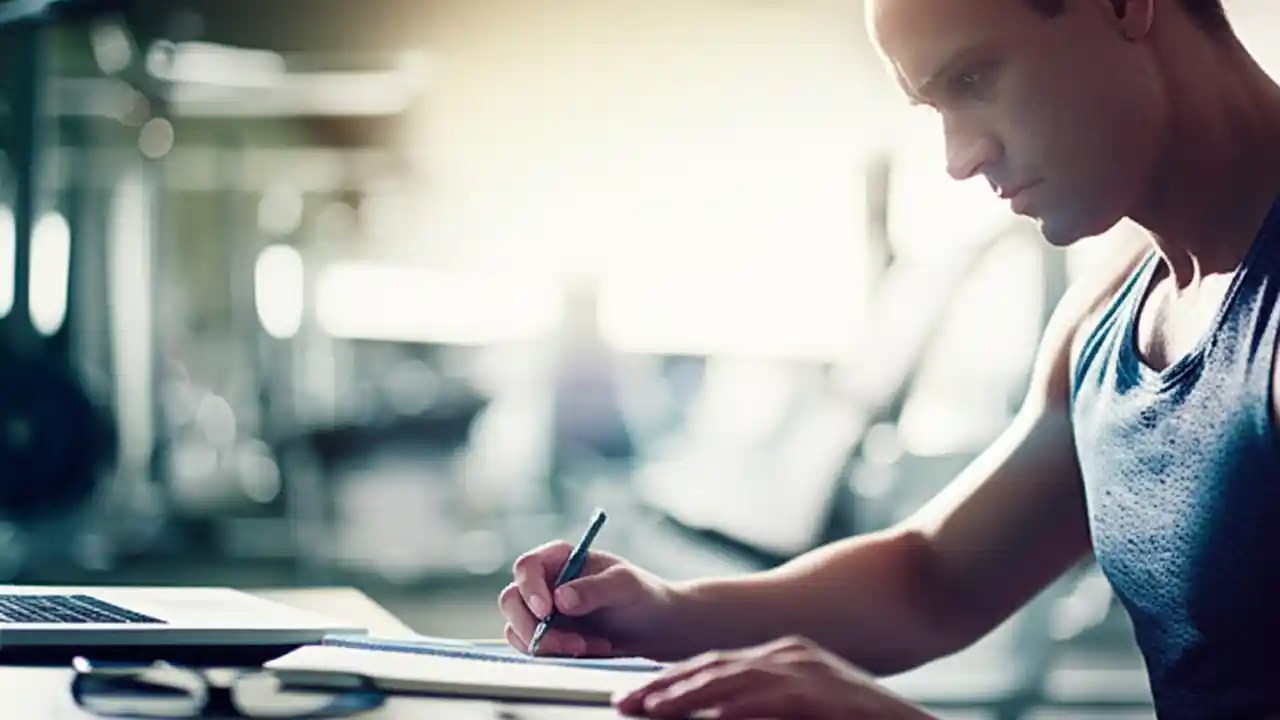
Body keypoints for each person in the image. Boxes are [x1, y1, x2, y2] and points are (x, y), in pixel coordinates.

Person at [498, 0, 1280, 717]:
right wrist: (664, 612)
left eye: (974, 79)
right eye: (935, 107)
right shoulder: (1112, 308)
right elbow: (935, 582)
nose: (959, 158)